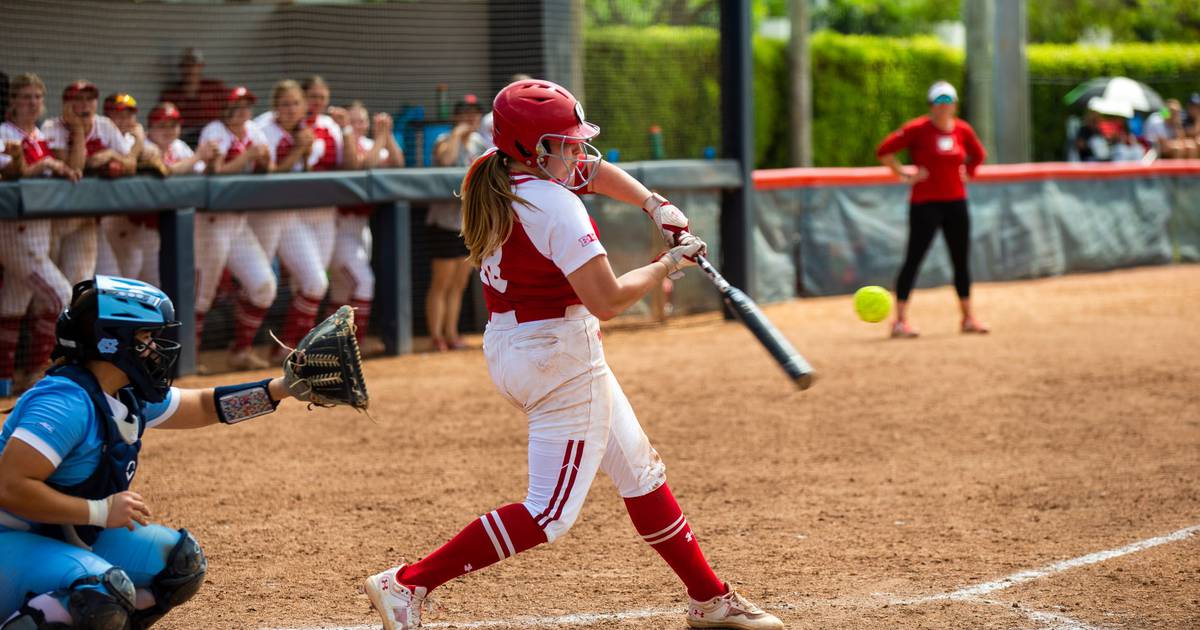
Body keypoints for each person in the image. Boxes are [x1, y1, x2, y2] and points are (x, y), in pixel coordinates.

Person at [363, 78, 783, 630]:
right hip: (559, 358)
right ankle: (408, 583)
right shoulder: (555, 206)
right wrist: (667, 264)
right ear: (534, 150)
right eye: (564, 143)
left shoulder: (493, 169)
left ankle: (709, 598)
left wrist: (653, 204)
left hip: (519, 346)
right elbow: (606, 300)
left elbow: (592, 173)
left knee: (640, 471)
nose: (577, 152)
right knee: (549, 513)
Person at [0, 274, 301, 628]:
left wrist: (284, 388)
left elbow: (206, 406)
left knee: (179, 563)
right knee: (100, 593)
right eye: (144, 338)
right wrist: (97, 511)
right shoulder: (65, 403)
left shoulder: (121, 393)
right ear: (111, 342)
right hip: (10, 541)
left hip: (50, 535)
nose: (154, 349)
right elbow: (9, 487)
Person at [876, 81, 988, 338]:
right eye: (938, 101)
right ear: (930, 105)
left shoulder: (962, 130)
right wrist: (904, 174)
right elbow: (884, 151)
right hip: (925, 204)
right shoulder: (918, 129)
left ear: (955, 105)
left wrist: (968, 172)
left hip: (955, 202)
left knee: (960, 260)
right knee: (913, 259)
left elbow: (979, 154)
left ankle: (968, 317)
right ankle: (900, 320)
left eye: (948, 100)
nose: (944, 106)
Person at [0, 73, 78, 397]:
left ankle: (5, 380)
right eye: (26, 96)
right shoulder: (4, 132)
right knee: (63, 297)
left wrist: (52, 162)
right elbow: (10, 174)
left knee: (13, 305)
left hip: (38, 232)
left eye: (37, 97)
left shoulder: (38, 134)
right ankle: (39, 370)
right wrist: (45, 164)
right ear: (13, 101)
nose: (32, 102)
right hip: (13, 233)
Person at [250, 79, 332, 363]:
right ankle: (239, 349)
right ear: (275, 107)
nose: (290, 109)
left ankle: (289, 348)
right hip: (262, 214)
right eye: (284, 104)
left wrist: (306, 152)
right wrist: (299, 150)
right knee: (256, 285)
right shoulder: (263, 129)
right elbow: (269, 173)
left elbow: (306, 171)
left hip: (291, 216)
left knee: (315, 282)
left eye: (296, 103)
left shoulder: (304, 130)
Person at [196, 86, 277, 371]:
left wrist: (264, 159)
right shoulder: (214, 130)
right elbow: (215, 173)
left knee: (264, 285)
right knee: (201, 294)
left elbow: (268, 169)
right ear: (225, 108)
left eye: (247, 105)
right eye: (237, 105)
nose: (243, 111)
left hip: (240, 223)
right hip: (212, 223)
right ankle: (189, 359)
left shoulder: (253, 130)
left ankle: (240, 351)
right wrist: (247, 157)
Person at [329, 102, 404, 348]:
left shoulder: (373, 143)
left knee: (341, 291)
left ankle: (332, 346)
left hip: (362, 227)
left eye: (362, 120)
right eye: (354, 121)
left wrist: (388, 135)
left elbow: (398, 163)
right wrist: (381, 137)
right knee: (363, 282)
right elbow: (364, 165)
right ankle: (354, 345)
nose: (359, 125)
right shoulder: (342, 143)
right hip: (339, 227)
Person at [424, 94, 487, 351]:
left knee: (459, 284)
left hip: (469, 224)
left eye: (474, 113)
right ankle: (436, 336)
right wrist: (457, 134)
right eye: (465, 112)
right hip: (444, 222)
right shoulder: (443, 140)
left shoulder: (480, 143)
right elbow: (446, 160)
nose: (470, 117)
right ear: (456, 116)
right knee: (442, 282)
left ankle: (451, 333)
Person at [159, 48, 227, 145]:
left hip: (213, 138)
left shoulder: (215, 88)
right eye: (186, 66)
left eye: (194, 65)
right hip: (184, 140)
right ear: (181, 68)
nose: (190, 69)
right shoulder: (171, 95)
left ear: (201, 66)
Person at [145, 102, 217, 175]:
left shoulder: (178, 145)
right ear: (150, 128)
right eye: (162, 126)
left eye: (173, 126)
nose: (168, 130)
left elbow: (201, 172)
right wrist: (198, 156)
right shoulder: (145, 146)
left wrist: (211, 162)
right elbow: (164, 172)